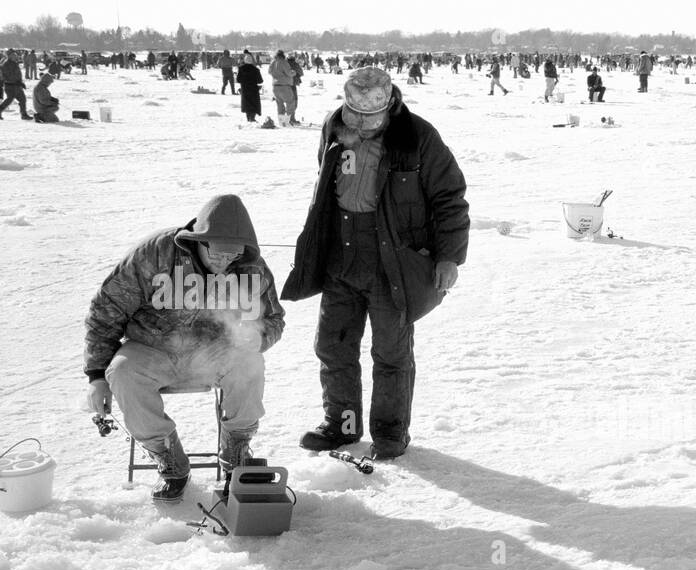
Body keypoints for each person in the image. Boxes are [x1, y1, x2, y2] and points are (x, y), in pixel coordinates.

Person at [281, 67, 470, 461]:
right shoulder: (334, 126)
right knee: (334, 346)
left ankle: (389, 433)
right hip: (341, 256)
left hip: (393, 261)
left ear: (388, 105)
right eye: (356, 118)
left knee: (391, 353)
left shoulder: (418, 137)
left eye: (370, 120)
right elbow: (326, 185)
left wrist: (449, 256)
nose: (362, 126)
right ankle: (342, 425)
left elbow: (450, 197)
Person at [84, 194, 285, 501]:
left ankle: (236, 456)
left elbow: (273, 318)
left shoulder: (250, 267)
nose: (224, 261)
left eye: (233, 255)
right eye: (217, 252)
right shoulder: (155, 253)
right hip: (152, 347)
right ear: (199, 240)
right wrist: (97, 376)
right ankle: (170, 460)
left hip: (214, 352)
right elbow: (105, 310)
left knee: (250, 363)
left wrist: (258, 337)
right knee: (122, 372)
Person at [0, 48, 32, 120]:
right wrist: (16, 81)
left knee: (22, 99)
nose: (15, 55)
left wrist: (20, 82)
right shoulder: (6, 64)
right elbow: (7, 76)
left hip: (17, 85)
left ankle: (24, 115)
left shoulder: (14, 63)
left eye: (15, 54)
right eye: (14, 54)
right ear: (9, 56)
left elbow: (17, 74)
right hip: (10, 86)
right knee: (9, 100)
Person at [269, 50, 297, 127]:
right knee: (290, 103)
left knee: (279, 105)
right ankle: (289, 121)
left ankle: (282, 122)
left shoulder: (273, 62)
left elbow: (269, 71)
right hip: (284, 86)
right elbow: (289, 73)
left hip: (275, 86)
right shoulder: (283, 62)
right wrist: (293, 72)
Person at [236, 53, 263, 123]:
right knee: (254, 103)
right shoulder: (256, 69)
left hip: (244, 89)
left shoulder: (241, 68)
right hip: (254, 89)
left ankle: (248, 118)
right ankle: (252, 118)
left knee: (246, 103)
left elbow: (238, 80)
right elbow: (260, 80)